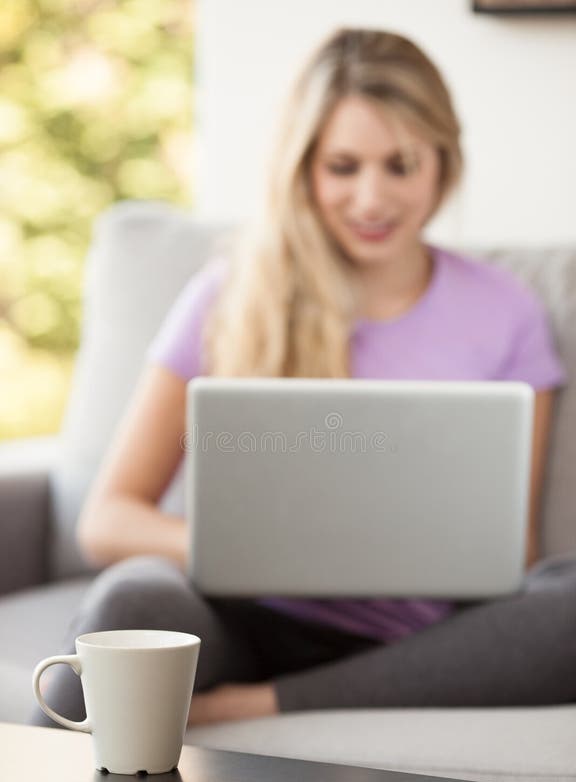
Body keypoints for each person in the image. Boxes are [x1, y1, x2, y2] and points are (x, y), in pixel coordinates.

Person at [33, 28, 572, 729]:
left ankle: (256, 708)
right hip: (240, 619)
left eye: (401, 165)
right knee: (127, 610)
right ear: (304, 167)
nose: (372, 198)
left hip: (415, 642)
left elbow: (514, 552)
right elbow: (108, 519)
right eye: (343, 166)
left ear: (443, 162)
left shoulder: (508, 311)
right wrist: (249, 547)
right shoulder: (231, 293)